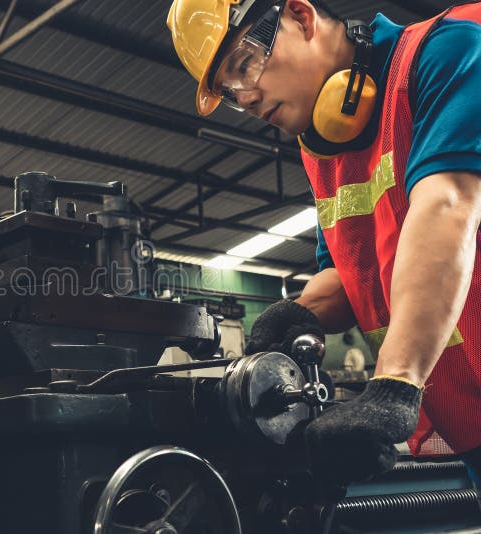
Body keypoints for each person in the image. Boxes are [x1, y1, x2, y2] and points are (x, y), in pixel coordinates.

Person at [167, 0, 481, 487]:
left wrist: (393, 385)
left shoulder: (446, 51)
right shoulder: (323, 154)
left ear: (300, 15)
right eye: (229, 92)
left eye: (244, 64)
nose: (245, 98)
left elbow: (449, 205)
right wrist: (302, 311)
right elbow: (351, 273)